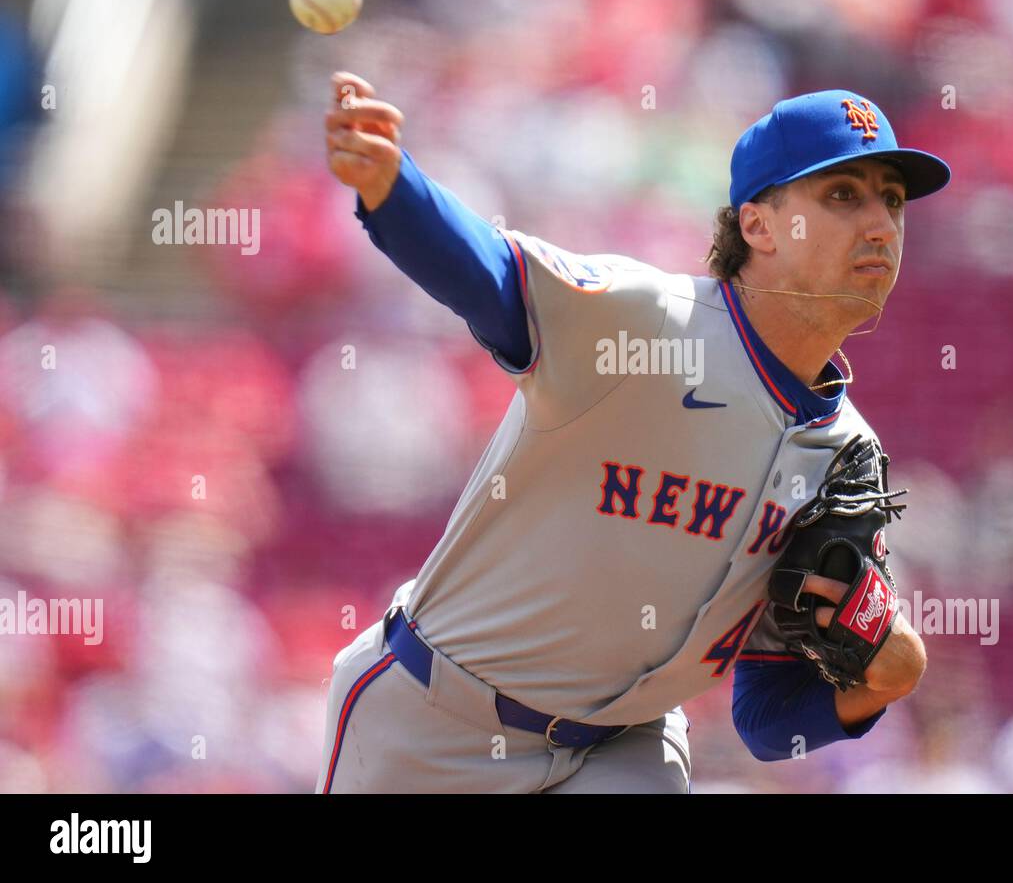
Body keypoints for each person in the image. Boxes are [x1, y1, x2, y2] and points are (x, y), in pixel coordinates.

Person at [316, 73, 948, 792]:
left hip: (623, 752)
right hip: (434, 722)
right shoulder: (650, 323)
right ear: (758, 225)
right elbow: (487, 274)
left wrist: (879, 684)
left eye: (892, 201)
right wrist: (395, 191)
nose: (879, 223)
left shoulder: (843, 459)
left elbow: (767, 719)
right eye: (843, 195)